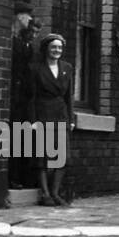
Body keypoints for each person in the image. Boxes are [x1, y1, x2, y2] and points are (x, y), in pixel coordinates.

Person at [29, 33, 74, 206]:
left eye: (60, 48)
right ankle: (45, 194)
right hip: (42, 113)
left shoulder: (67, 68)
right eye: (54, 47)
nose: (57, 50)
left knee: (62, 156)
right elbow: (31, 97)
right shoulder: (35, 68)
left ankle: (55, 193)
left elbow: (69, 96)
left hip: (60, 114)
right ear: (47, 48)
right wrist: (33, 120)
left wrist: (70, 119)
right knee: (42, 156)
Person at [9, 1, 38, 190]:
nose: (29, 19)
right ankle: (12, 176)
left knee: (21, 136)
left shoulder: (23, 42)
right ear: (20, 16)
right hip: (13, 97)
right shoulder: (11, 40)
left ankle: (20, 176)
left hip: (23, 98)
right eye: (27, 16)